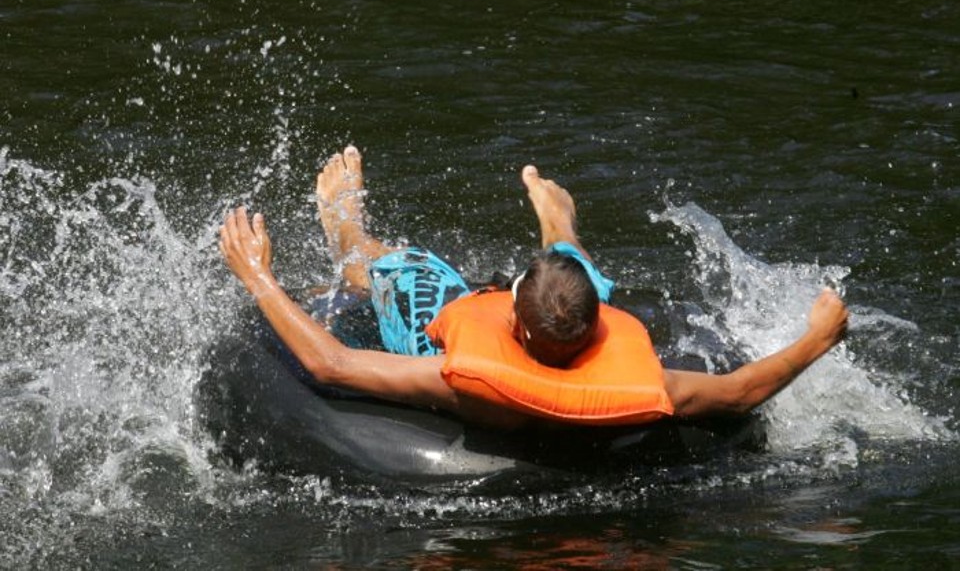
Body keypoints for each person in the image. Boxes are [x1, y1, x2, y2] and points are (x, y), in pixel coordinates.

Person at [219, 145, 848, 428]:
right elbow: (739, 394)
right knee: (570, 282)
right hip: (563, 323)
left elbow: (331, 364)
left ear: (513, 324)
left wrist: (258, 276)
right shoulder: (653, 387)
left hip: (465, 344)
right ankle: (561, 229)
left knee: (412, 271)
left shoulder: (461, 379)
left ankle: (350, 233)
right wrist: (816, 339)